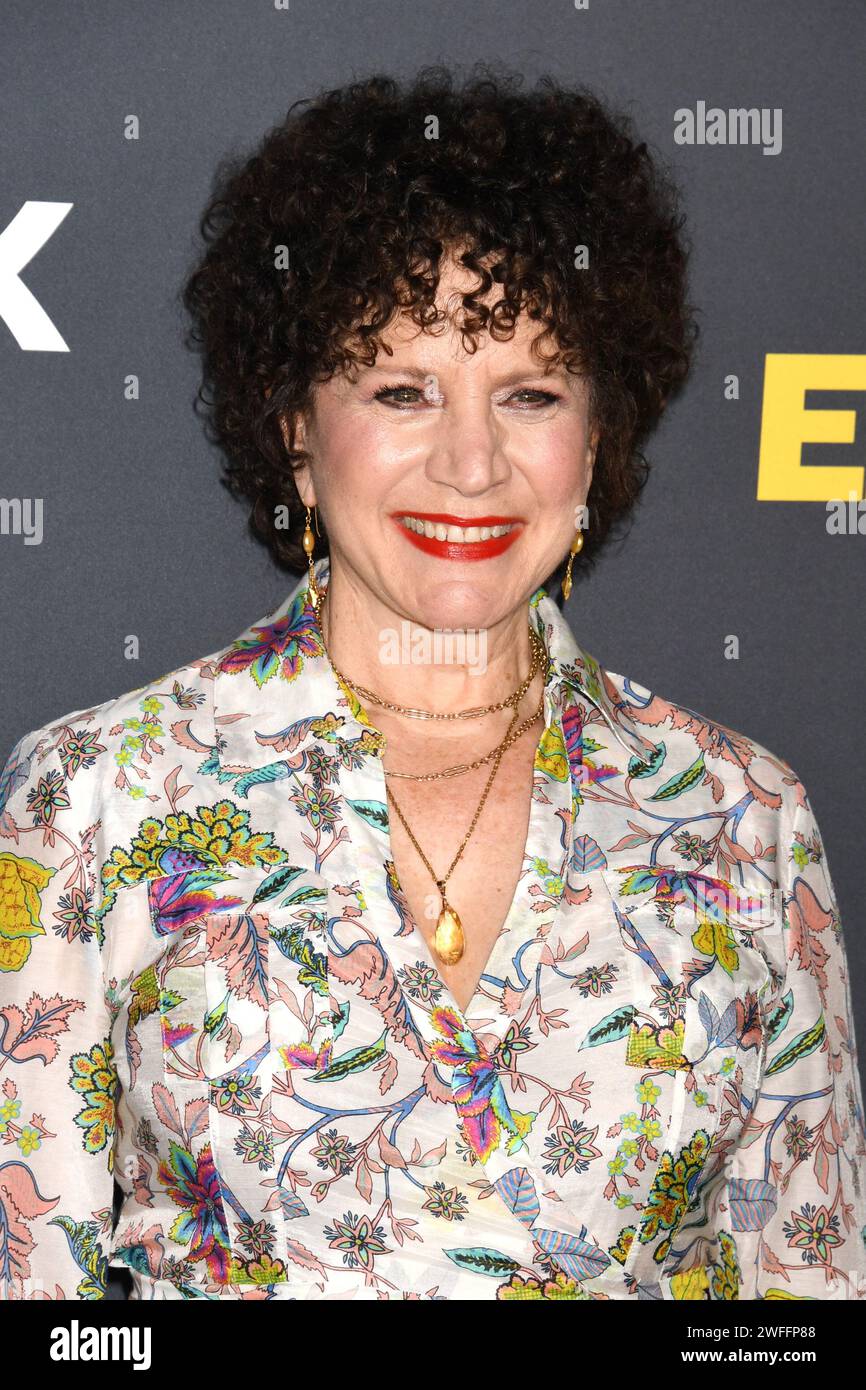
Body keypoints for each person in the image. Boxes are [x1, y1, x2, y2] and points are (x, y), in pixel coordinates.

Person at [1, 65, 864, 1302]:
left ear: (597, 436)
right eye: (401, 390)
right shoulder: (91, 801)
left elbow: (802, 1303)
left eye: (529, 392)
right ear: (295, 426)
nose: (469, 461)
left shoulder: (746, 823)